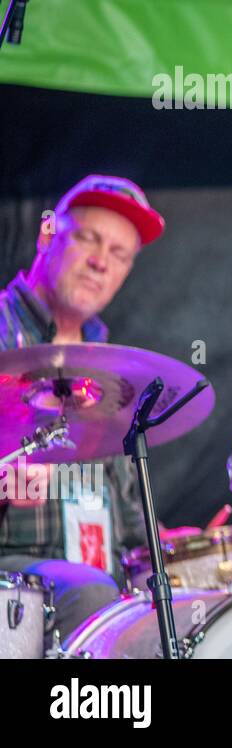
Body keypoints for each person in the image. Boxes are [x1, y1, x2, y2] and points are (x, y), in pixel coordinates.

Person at [0, 175, 164, 644]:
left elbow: (129, 517)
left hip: (97, 571)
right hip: (15, 576)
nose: (99, 262)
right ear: (47, 234)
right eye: (89, 238)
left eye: (119, 254)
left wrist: (167, 547)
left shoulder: (111, 366)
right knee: (92, 591)